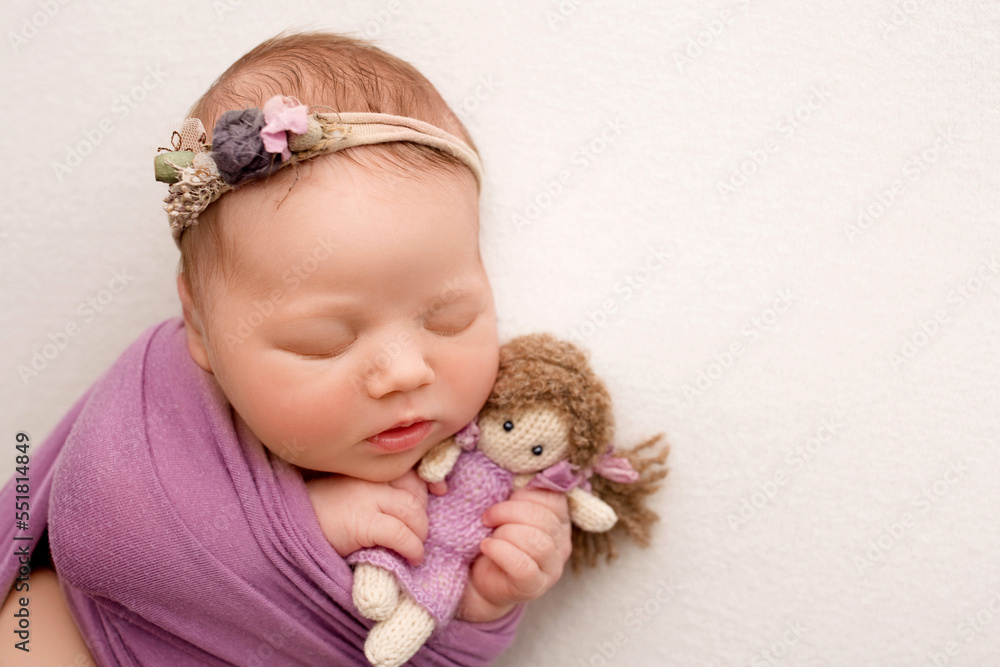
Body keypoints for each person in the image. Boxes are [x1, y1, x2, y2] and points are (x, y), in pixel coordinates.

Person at [0, 31, 572, 666]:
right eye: (322, 343)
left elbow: (411, 649)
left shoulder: (476, 462)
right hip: (92, 636)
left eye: (450, 319)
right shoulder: (160, 404)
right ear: (201, 328)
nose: (407, 372)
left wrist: (480, 602)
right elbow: (100, 535)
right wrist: (302, 528)